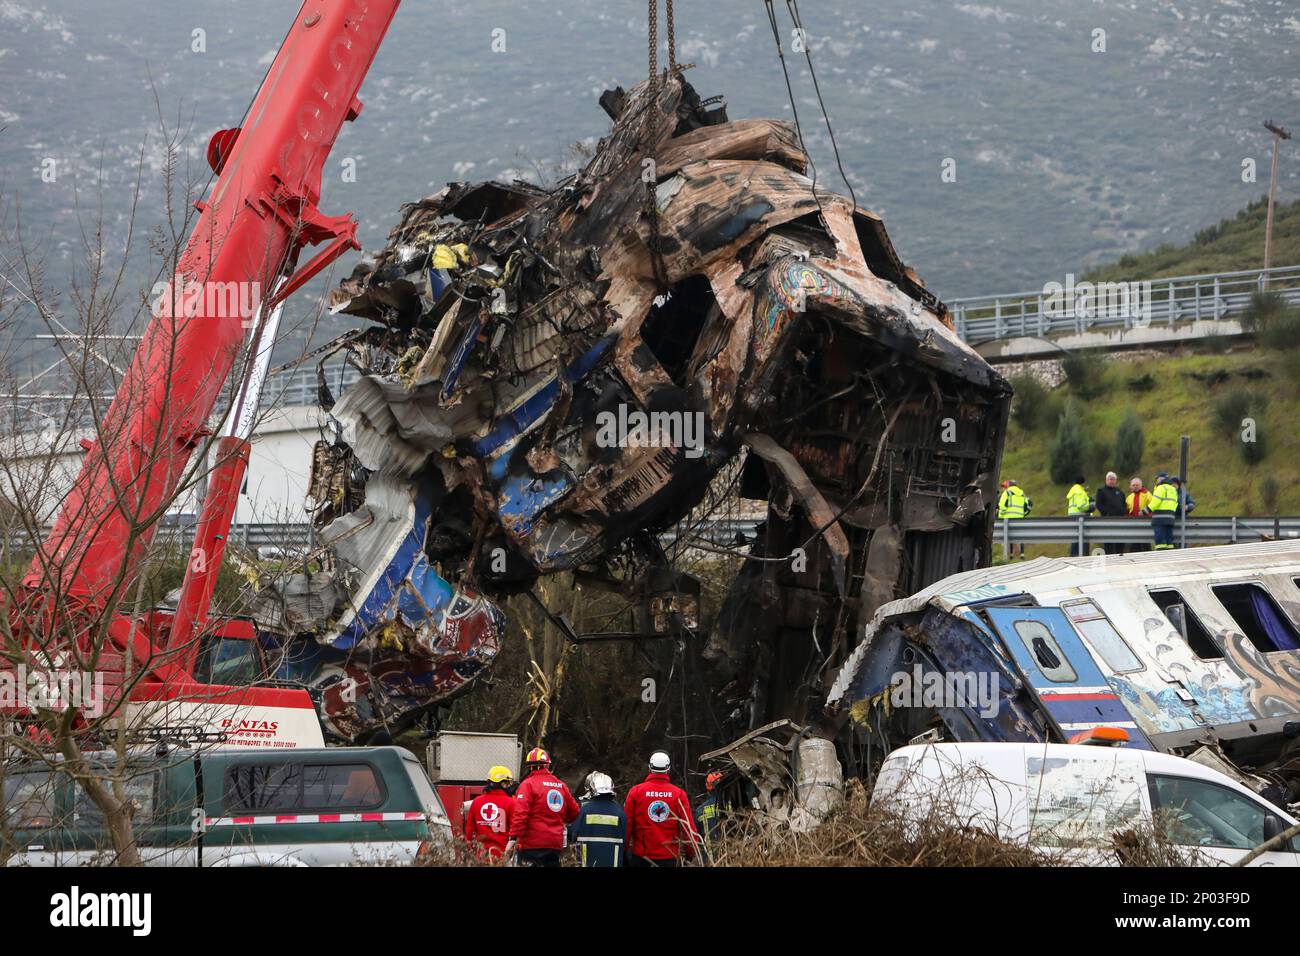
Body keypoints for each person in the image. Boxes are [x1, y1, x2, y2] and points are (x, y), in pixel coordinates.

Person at [504, 747, 580, 867]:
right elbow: (575, 812)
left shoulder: (528, 785)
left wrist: (512, 838)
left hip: (532, 845)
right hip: (554, 845)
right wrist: (560, 821)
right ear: (547, 765)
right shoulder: (561, 786)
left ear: (529, 767)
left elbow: (520, 815)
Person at [624, 750, 700, 867]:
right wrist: (691, 853)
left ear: (650, 768)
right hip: (669, 858)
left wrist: (624, 852)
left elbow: (627, 826)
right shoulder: (678, 794)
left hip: (640, 858)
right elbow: (688, 829)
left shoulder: (636, 792)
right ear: (668, 770)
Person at [569, 771, 627, 867]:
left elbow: (574, 835)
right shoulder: (620, 812)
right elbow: (625, 838)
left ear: (592, 790)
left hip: (587, 861)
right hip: (613, 861)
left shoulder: (583, 811)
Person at [463, 765, 515, 861]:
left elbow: (469, 831)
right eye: (508, 783)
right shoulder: (511, 803)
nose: (510, 786)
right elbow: (516, 830)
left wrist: (471, 853)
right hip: (502, 858)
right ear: (503, 784)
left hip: (481, 857)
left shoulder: (476, 802)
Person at [997, 479, 1032, 560]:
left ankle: (1008, 557)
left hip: (1007, 519)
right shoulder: (1022, 494)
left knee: (1006, 539)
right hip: (1019, 520)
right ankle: (1019, 556)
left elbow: (1002, 505)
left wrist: (1001, 515)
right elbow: (1026, 506)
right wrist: (1022, 514)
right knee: (1018, 538)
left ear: (1009, 486)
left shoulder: (1007, 492)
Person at [1144, 471, 1179, 551]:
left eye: (1157, 478)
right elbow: (1176, 503)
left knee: (1160, 541)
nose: (1156, 480)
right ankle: (1170, 558)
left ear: (1161, 479)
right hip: (1170, 517)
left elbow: (1155, 502)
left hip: (1160, 517)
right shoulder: (1173, 489)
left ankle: (1161, 559)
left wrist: (1145, 511)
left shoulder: (1161, 488)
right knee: (1169, 540)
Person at [1094, 471, 1127, 555]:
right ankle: (1109, 558)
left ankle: (1120, 557)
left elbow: (1124, 504)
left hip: (1119, 520)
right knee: (1109, 541)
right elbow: (1099, 504)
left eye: (1113, 479)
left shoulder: (1120, 492)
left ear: (1116, 480)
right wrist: (1106, 513)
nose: (1112, 481)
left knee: (1120, 541)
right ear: (1106, 480)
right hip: (1107, 521)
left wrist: (1123, 511)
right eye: (1110, 479)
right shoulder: (1101, 491)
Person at [1065, 474, 1095, 556]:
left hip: (1073, 515)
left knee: (1075, 537)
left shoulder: (1074, 490)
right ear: (1082, 483)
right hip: (1080, 516)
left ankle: (1074, 555)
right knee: (1082, 538)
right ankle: (1079, 556)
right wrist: (1091, 506)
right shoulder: (1079, 491)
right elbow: (1082, 506)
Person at [695, 770, 727, 843]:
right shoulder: (735, 805)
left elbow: (695, 837)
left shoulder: (700, 810)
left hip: (709, 852)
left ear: (707, 786)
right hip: (734, 852)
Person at [1125, 476, 1152, 553]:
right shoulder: (1129, 497)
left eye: (1137, 485)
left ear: (1141, 485)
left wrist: (1149, 518)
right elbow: (1126, 511)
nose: (1135, 487)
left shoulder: (1147, 494)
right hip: (1133, 524)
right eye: (1133, 485)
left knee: (1145, 544)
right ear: (1130, 486)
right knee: (1134, 545)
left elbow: (1152, 507)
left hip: (1145, 524)